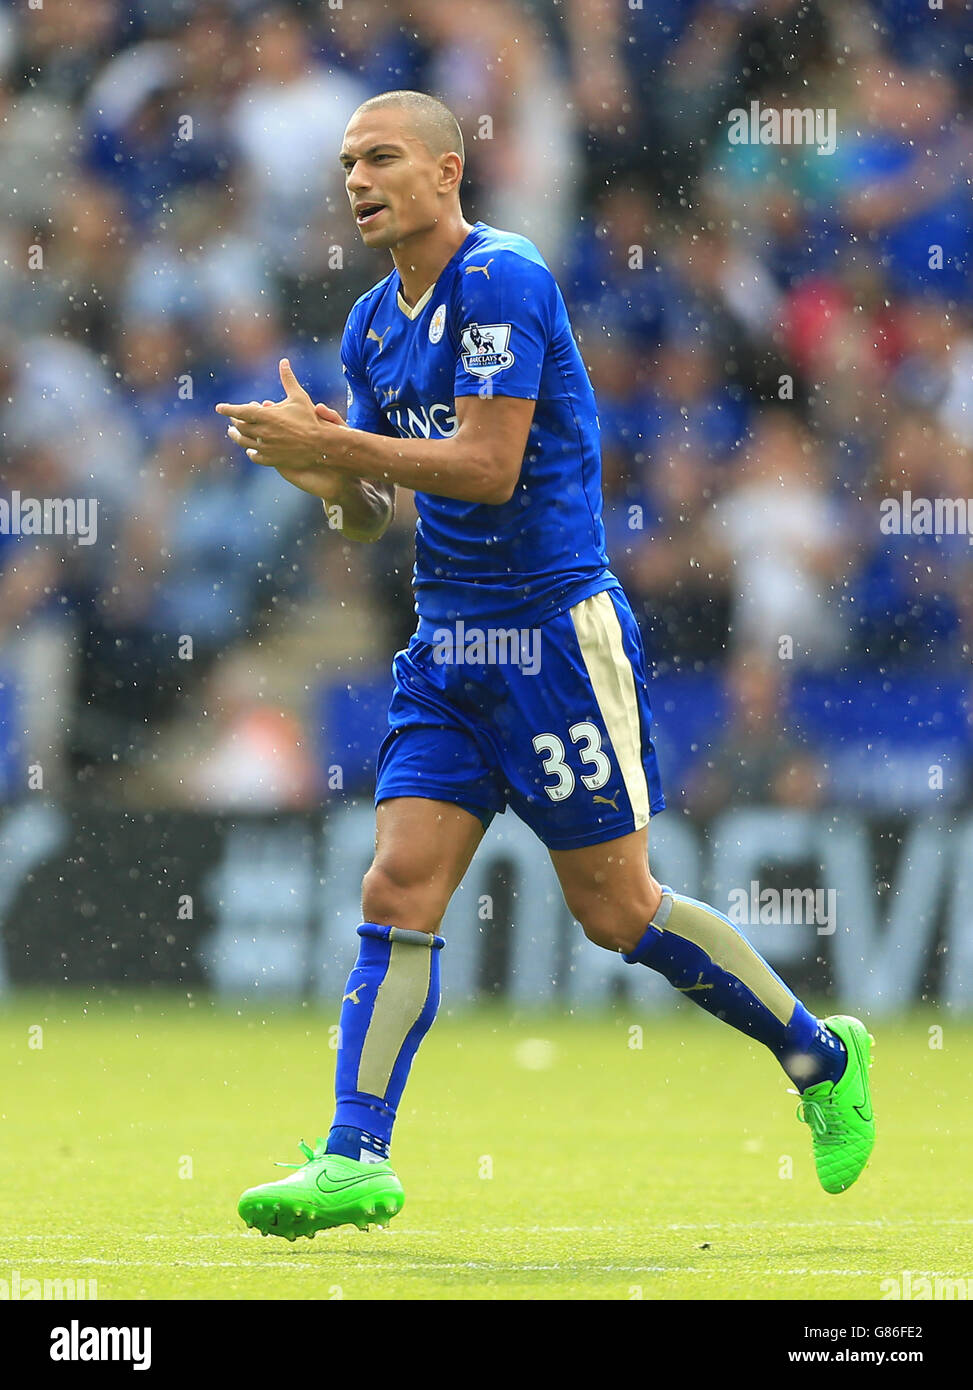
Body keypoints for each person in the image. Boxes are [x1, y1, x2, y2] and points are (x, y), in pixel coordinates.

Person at [215, 91, 874, 1242]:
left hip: (555, 637)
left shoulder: (504, 276)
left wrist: (339, 447)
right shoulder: (371, 324)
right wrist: (324, 481)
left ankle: (818, 1056)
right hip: (448, 645)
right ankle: (354, 1155)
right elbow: (379, 509)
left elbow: (484, 465)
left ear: (447, 170)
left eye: (380, 158)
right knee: (396, 884)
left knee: (616, 910)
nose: (356, 179)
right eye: (345, 163)